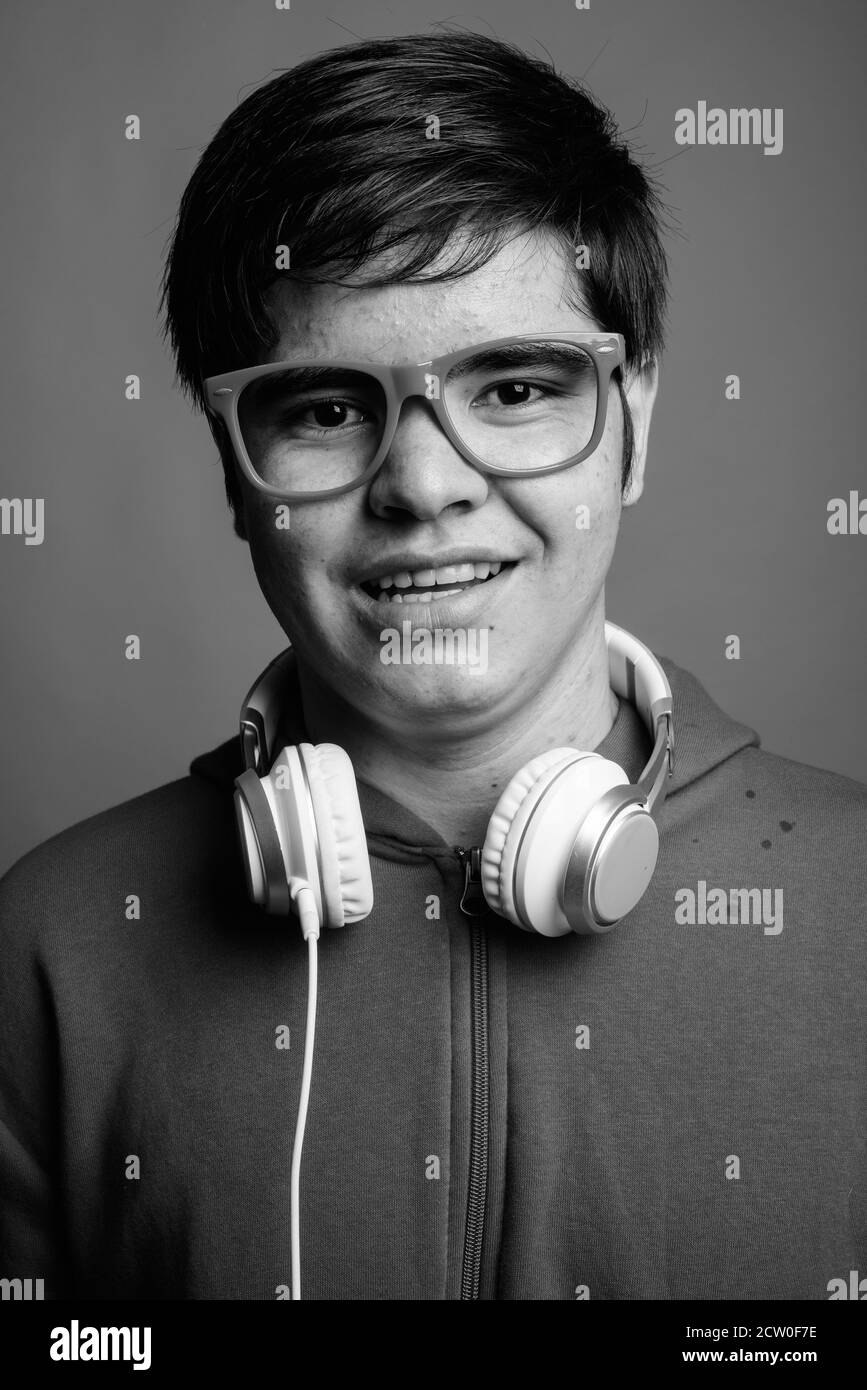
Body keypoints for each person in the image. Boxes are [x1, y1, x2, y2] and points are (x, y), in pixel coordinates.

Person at [1, 31, 864, 1303]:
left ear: (633, 426)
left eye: (513, 388)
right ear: (236, 471)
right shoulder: (51, 952)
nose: (423, 484)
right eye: (328, 408)